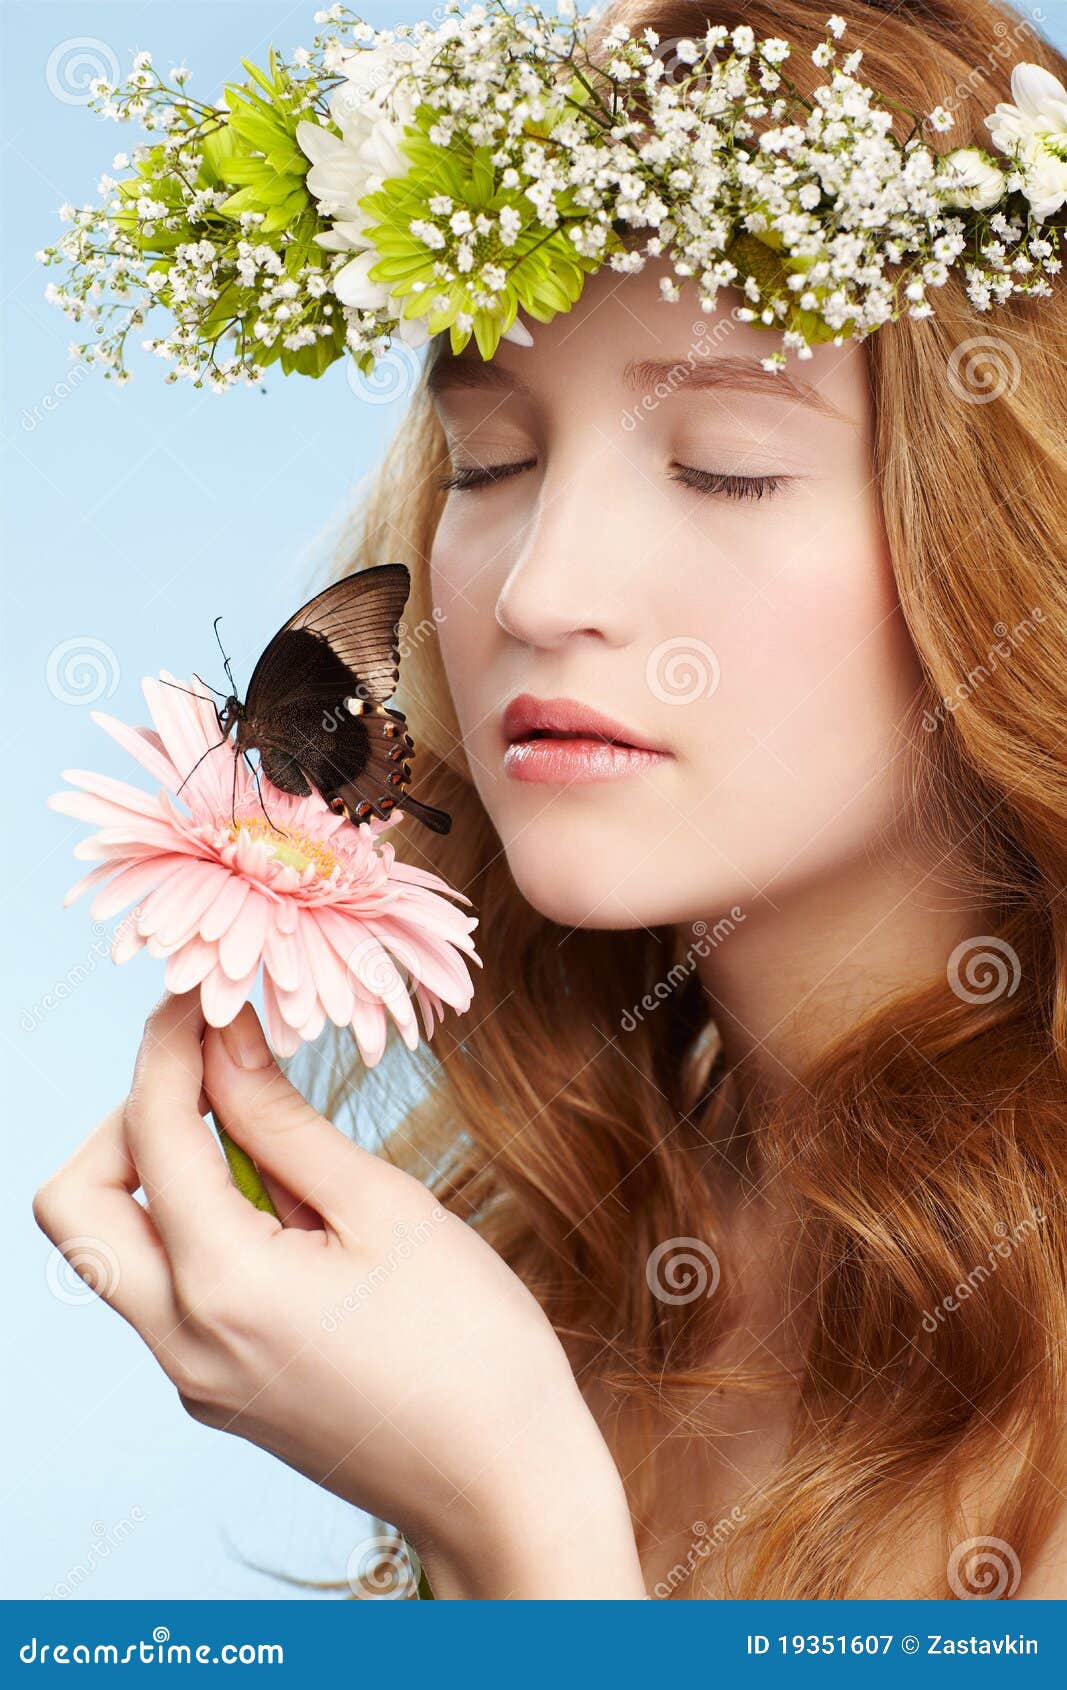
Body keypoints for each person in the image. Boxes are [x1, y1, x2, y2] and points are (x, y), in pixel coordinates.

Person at [33, 0, 1067, 1598]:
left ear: (1005, 531)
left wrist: (514, 1517)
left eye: (725, 465)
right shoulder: (588, 1234)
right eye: (491, 462)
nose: (537, 590)